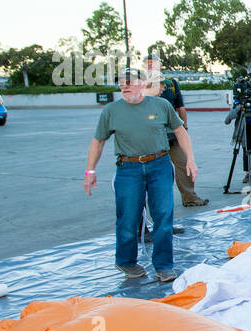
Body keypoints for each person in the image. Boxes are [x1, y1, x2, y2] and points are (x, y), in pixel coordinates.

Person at [84, 68, 197, 282]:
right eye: (121, 83)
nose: (124, 86)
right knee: (128, 217)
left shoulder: (161, 106)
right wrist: (90, 170)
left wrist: (190, 159)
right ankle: (126, 262)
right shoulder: (111, 111)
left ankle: (164, 266)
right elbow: (98, 141)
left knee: (163, 216)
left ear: (143, 84)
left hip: (160, 165)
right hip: (129, 169)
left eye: (129, 81)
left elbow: (180, 132)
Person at [145, 55, 208, 206]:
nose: (150, 66)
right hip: (151, 139)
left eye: (153, 63)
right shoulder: (139, 85)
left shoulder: (170, 84)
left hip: (172, 134)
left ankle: (189, 197)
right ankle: (146, 205)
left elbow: (180, 107)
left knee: (183, 163)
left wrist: (184, 128)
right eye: (147, 64)